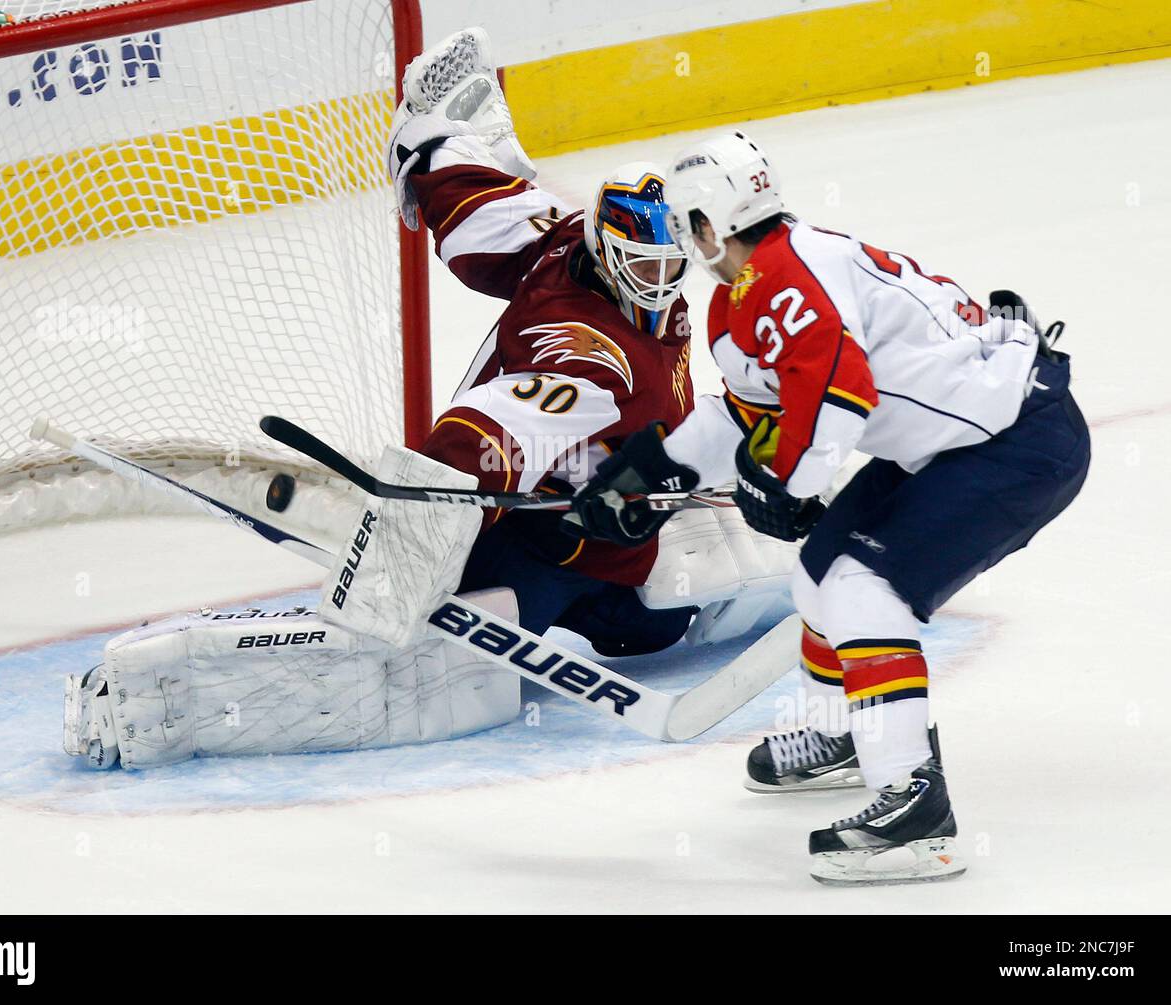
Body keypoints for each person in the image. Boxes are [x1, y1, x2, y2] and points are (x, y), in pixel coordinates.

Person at [569, 130, 1090, 884]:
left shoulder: (783, 280)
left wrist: (785, 485)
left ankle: (916, 813)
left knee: (862, 591)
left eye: (688, 224)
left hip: (1018, 442)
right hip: (953, 439)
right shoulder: (753, 288)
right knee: (819, 573)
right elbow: (749, 414)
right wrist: (648, 477)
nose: (686, 241)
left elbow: (842, 395)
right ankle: (843, 735)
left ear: (708, 223)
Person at [388, 31, 793, 657]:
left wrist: (437, 149)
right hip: (531, 534)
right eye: (644, 265)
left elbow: (476, 210)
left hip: (609, 520)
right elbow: (489, 432)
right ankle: (453, 583)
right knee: (474, 636)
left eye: (670, 264)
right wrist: (417, 519)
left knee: (655, 629)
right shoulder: (588, 357)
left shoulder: (565, 241)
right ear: (606, 250)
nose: (659, 283)